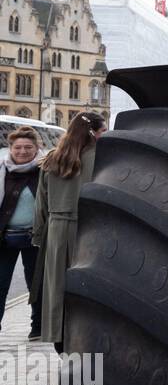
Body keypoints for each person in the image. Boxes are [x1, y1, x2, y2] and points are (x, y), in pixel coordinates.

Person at [33, 111, 106, 349]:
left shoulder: (52, 159)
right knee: (89, 286)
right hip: (90, 229)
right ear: (94, 133)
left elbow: (40, 204)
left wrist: (39, 234)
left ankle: (60, 337)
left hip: (56, 230)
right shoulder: (103, 159)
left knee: (57, 287)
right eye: (102, 131)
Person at [0, 127, 45, 339]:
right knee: (0, 285)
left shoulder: (45, 171)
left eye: (28, 147)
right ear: (11, 149)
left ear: (37, 148)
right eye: (18, 147)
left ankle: (38, 326)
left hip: (35, 237)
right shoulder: (2, 171)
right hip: (4, 237)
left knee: (36, 285)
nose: (22, 151)